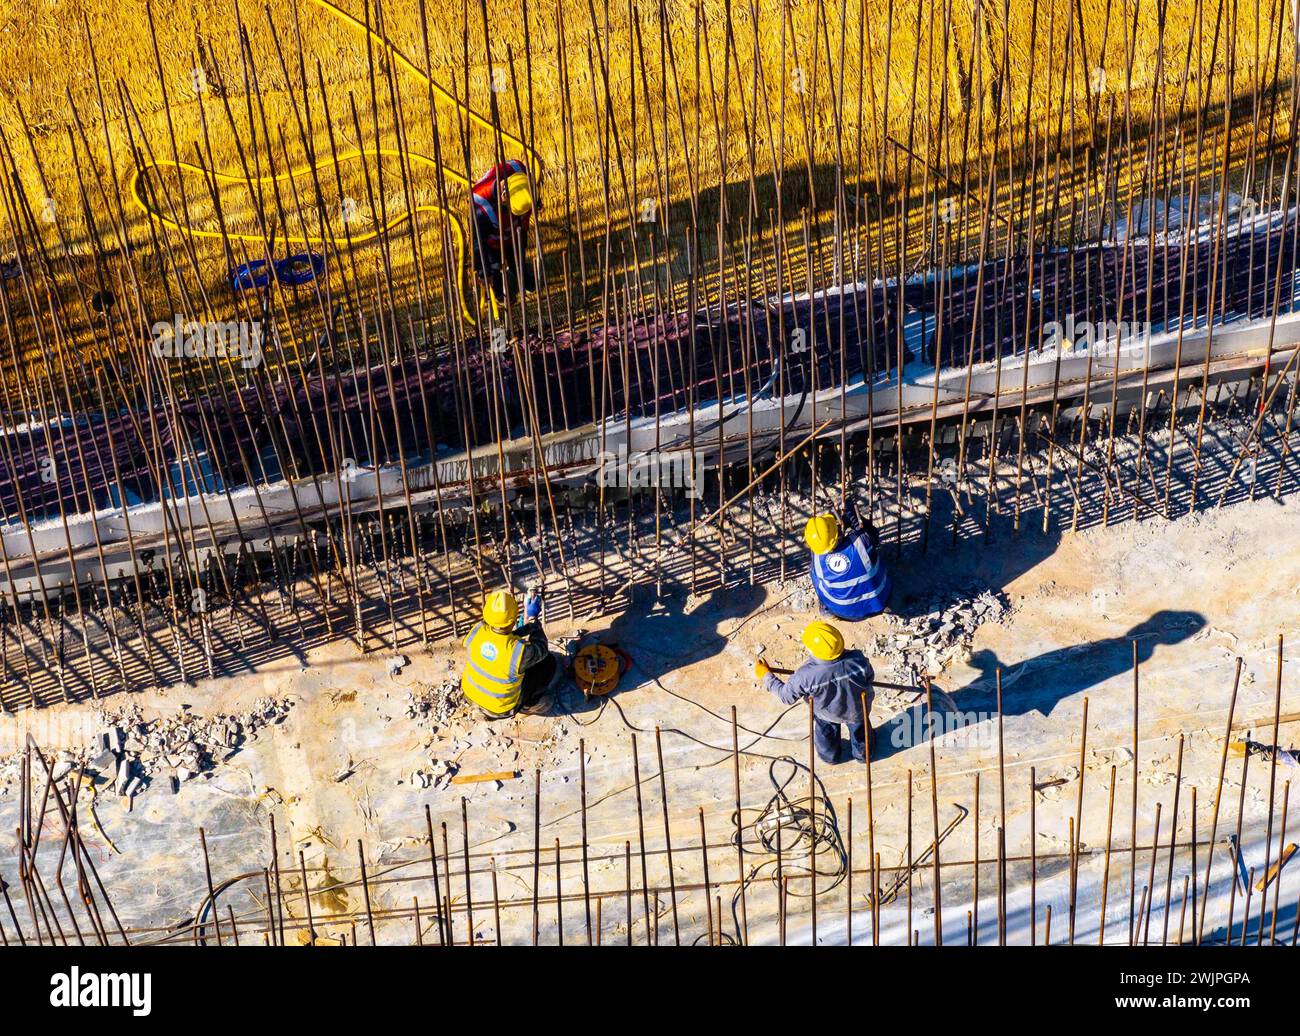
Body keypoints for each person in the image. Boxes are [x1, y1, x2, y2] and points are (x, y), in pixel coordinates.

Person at [756, 621, 876, 764]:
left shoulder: (805, 676)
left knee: (826, 736)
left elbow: (786, 696)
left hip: (826, 713)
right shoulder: (858, 659)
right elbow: (869, 677)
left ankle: (830, 757)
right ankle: (863, 756)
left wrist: (767, 676)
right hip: (857, 710)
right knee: (861, 735)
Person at [460, 589, 556, 719]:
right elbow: (542, 648)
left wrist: (525, 628)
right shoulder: (517, 653)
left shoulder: (478, 630)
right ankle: (529, 706)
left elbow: (499, 639)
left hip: (470, 695)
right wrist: (533, 620)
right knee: (549, 663)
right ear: (512, 621)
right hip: (500, 709)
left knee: (511, 668)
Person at [470, 158, 537, 304]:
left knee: (518, 258)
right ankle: (499, 294)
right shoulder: (481, 205)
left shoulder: (518, 169)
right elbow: (478, 243)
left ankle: (524, 280)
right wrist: (483, 271)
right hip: (493, 240)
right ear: (504, 198)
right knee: (493, 267)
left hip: (517, 231)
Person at [804, 511, 891, 621]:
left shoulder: (816, 556)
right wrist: (852, 516)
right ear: (837, 533)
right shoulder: (860, 541)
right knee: (870, 554)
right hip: (878, 603)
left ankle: (826, 610)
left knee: (814, 572)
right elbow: (873, 533)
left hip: (841, 611)